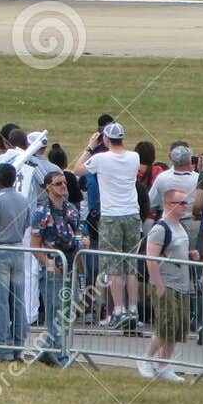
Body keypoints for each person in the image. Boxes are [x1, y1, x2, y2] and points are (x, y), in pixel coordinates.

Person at [73, 121, 142, 326]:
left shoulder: (100, 159)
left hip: (111, 215)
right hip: (132, 213)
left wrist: (90, 147)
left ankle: (118, 310)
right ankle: (133, 309)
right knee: (131, 266)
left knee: (113, 265)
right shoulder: (134, 157)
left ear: (105, 139)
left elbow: (77, 169)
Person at [28, 170, 83, 365]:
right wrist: (50, 265)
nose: (63, 186)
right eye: (58, 183)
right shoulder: (42, 212)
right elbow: (34, 246)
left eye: (64, 183)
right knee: (56, 312)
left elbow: (79, 234)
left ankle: (49, 351)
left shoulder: (71, 210)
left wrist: (83, 242)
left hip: (71, 268)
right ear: (48, 188)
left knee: (68, 311)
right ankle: (58, 354)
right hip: (53, 270)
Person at [140, 188, 193, 382]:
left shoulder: (180, 226)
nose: (185, 206)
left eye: (186, 202)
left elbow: (176, 251)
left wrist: (191, 255)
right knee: (166, 325)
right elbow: (151, 259)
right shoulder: (160, 229)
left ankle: (164, 365)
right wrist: (159, 286)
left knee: (176, 327)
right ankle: (146, 359)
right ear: (168, 204)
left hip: (182, 284)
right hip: (165, 284)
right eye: (181, 203)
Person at [0, 162, 31, 362]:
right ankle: (18, 345)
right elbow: (27, 223)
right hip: (18, 249)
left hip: (0, 250)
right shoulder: (23, 199)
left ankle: (2, 348)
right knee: (18, 300)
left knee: (1, 302)